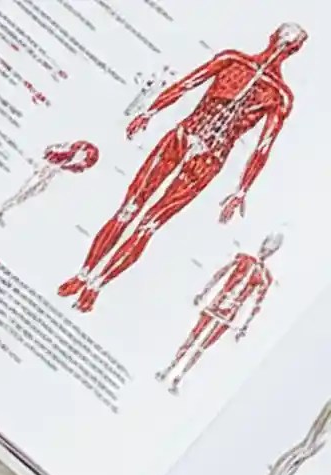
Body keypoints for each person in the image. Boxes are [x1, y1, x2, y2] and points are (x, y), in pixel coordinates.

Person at [59, 24, 306, 314]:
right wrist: (151, 111)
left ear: (293, 51)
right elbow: (187, 84)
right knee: (129, 209)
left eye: (288, 46)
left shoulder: (280, 95)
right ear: (272, 37)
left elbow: (263, 144)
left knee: (149, 222)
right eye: (282, 40)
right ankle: (84, 274)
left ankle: (96, 285)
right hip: (182, 137)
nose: (280, 48)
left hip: (210, 157)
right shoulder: (232, 60)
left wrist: (242, 190)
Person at [155, 233, 280, 395]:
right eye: (265, 247)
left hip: (228, 315)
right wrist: (204, 292)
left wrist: (245, 326)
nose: (265, 252)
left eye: (270, 250)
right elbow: (220, 274)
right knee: (193, 337)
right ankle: (169, 368)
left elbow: (257, 303)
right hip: (216, 305)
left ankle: (179, 377)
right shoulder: (243, 260)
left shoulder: (264, 277)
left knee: (202, 346)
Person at [0, 141, 99, 227]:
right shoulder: (67, 152)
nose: (82, 163)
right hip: (44, 171)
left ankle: (3, 209)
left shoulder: (72, 160)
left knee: (29, 193)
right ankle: (2, 209)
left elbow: (74, 168)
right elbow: (51, 153)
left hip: (48, 175)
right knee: (24, 192)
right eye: (82, 159)